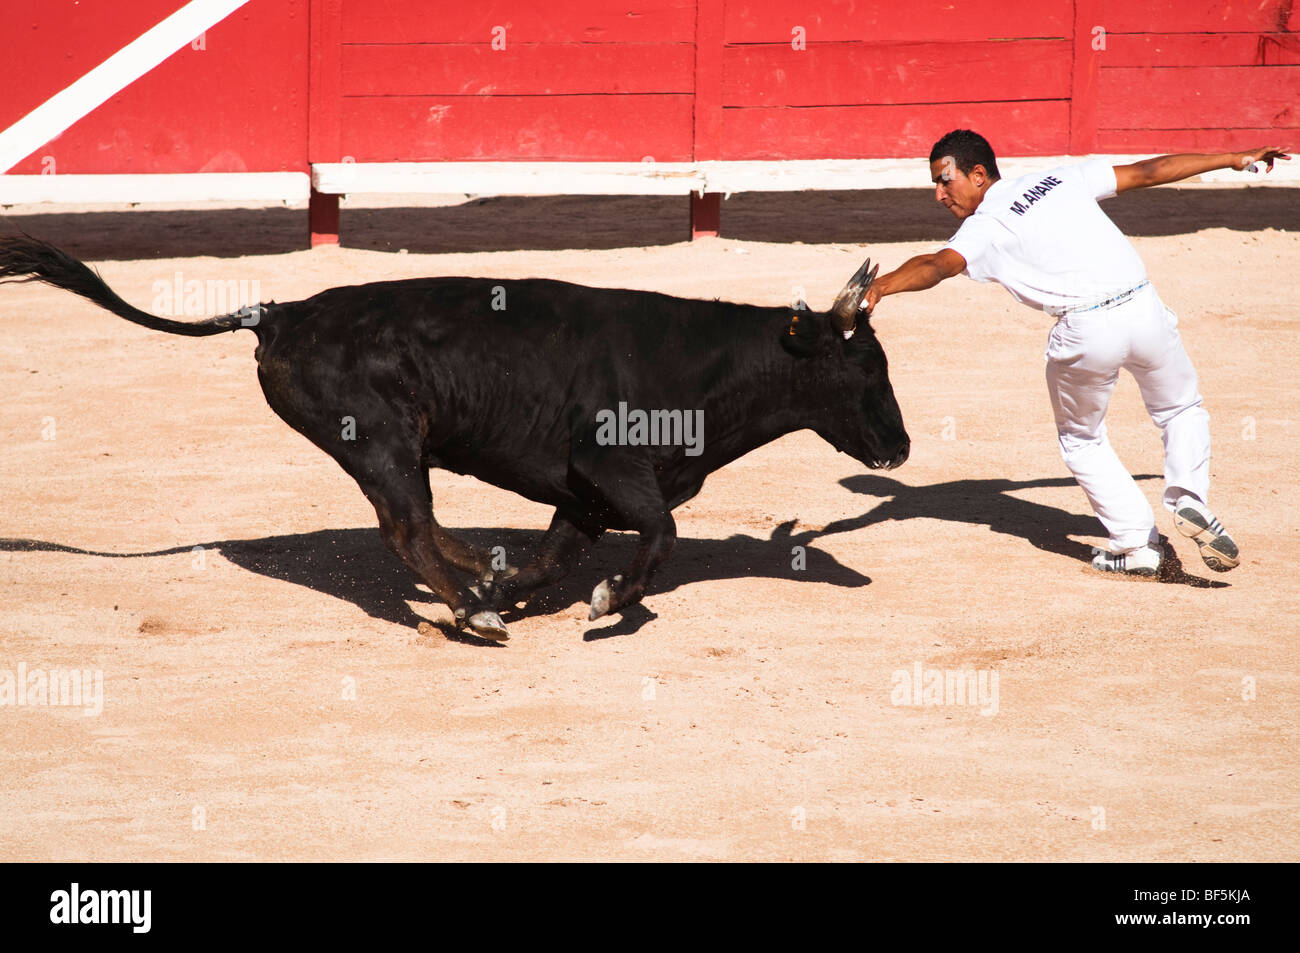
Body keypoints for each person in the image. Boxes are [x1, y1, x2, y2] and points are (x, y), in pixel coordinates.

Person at [856, 129, 1290, 575]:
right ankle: (1189, 497)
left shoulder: (984, 226)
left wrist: (881, 287)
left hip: (1087, 328)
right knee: (1181, 409)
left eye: (945, 182)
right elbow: (1151, 170)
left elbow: (936, 265)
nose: (939, 195)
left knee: (1082, 439)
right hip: (1143, 306)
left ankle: (1137, 545)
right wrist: (1235, 158)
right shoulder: (1060, 178)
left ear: (979, 174)